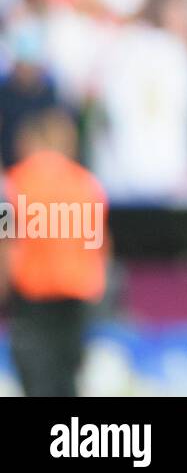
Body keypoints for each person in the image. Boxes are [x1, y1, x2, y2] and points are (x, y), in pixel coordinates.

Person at [0, 108, 108, 396]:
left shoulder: (14, 184)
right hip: (77, 292)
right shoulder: (87, 184)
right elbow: (98, 243)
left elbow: (5, 237)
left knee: (37, 378)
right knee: (66, 378)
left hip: (31, 295)